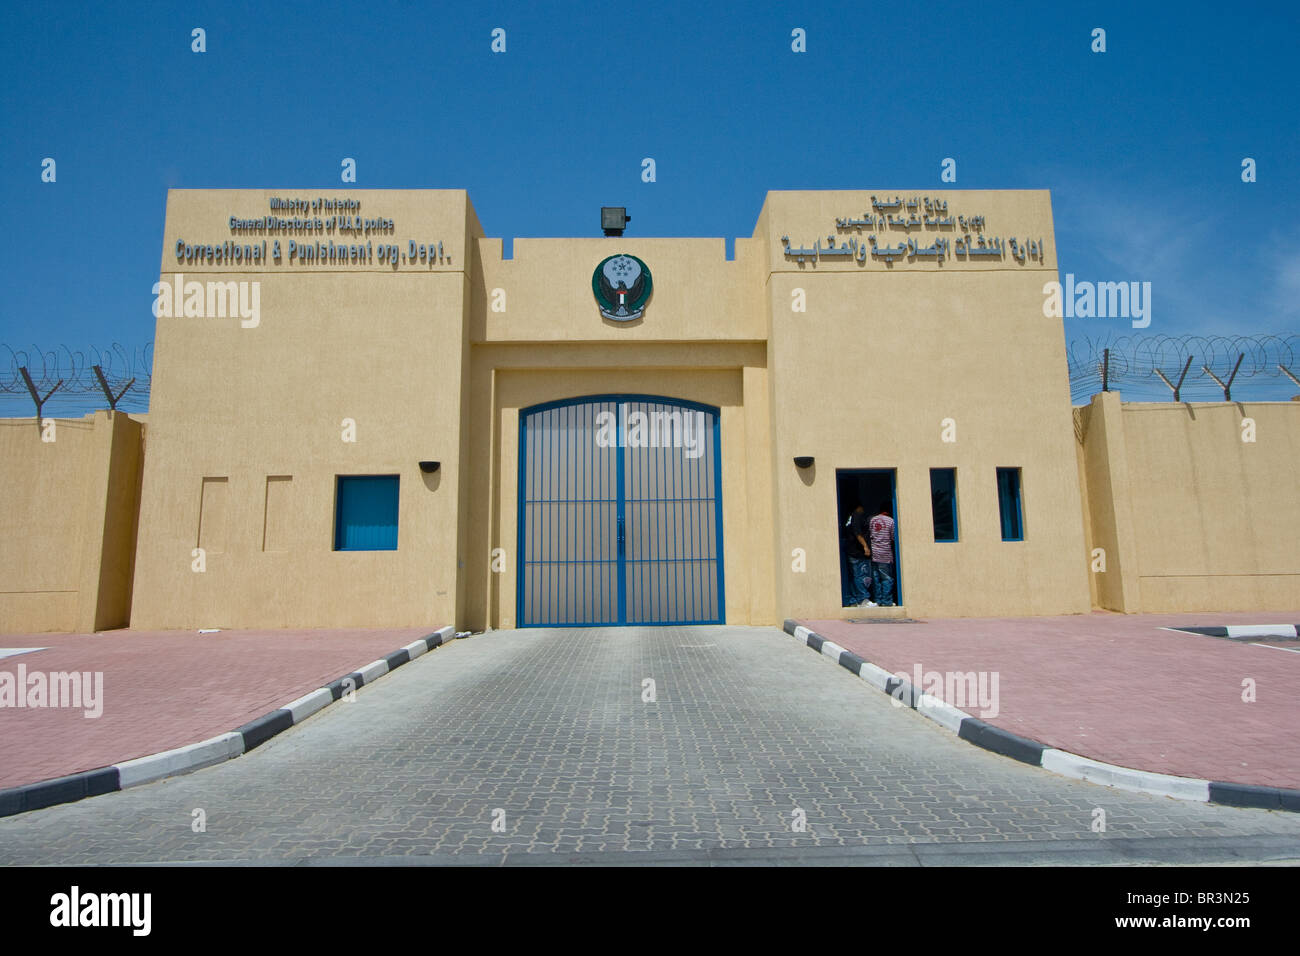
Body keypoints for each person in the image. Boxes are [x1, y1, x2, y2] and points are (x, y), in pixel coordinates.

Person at [843, 504, 876, 607]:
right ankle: (863, 599)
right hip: (857, 552)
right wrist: (865, 546)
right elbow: (858, 533)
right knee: (860, 575)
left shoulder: (850, 518)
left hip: (852, 551)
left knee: (855, 576)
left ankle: (854, 600)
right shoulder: (857, 516)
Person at [868, 500, 897, 607]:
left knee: (876, 578)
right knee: (887, 578)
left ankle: (877, 600)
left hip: (874, 553)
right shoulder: (891, 521)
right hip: (885, 554)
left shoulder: (872, 520)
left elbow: (870, 534)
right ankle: (887, 601)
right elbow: (893, 538)